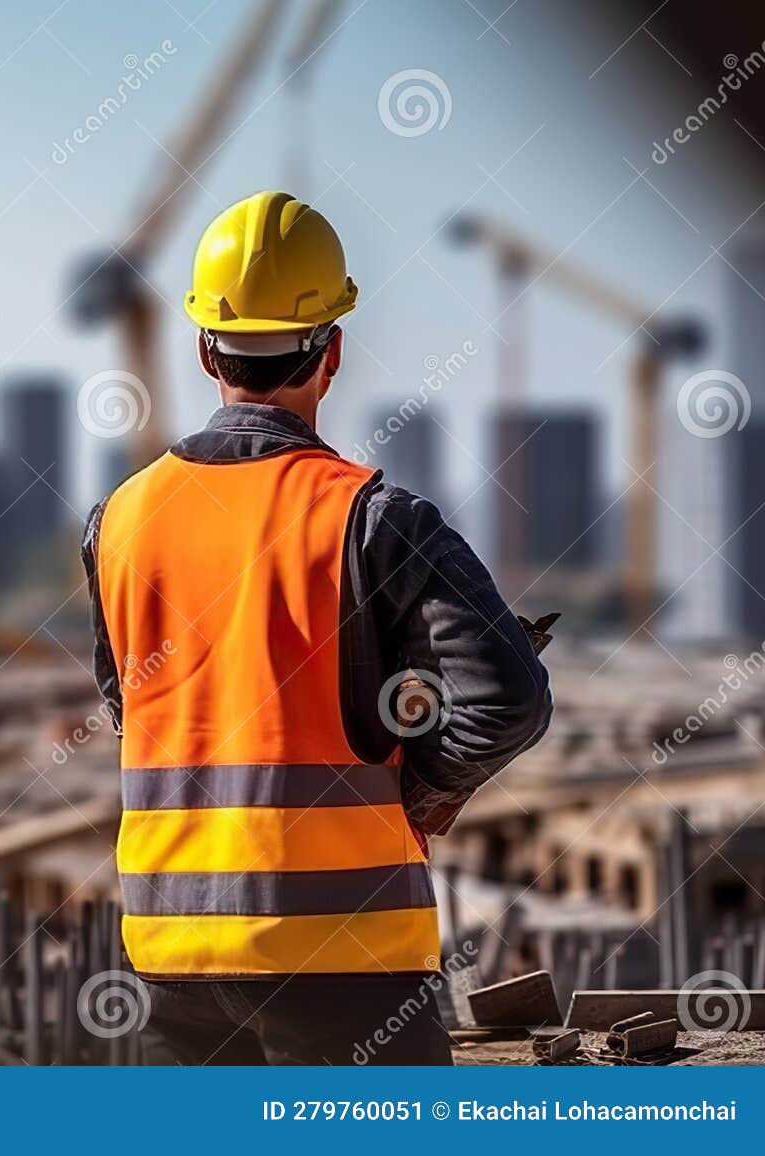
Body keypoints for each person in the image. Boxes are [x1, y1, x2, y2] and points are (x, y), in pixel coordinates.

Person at [80, 190, 552, 1065]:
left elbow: (131, 704)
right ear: (332, 350)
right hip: (347, 957)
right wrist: (421, 792)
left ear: (202, 346)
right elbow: (509, 701)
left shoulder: (120, 520)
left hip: (171, 951)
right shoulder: (373, 517)